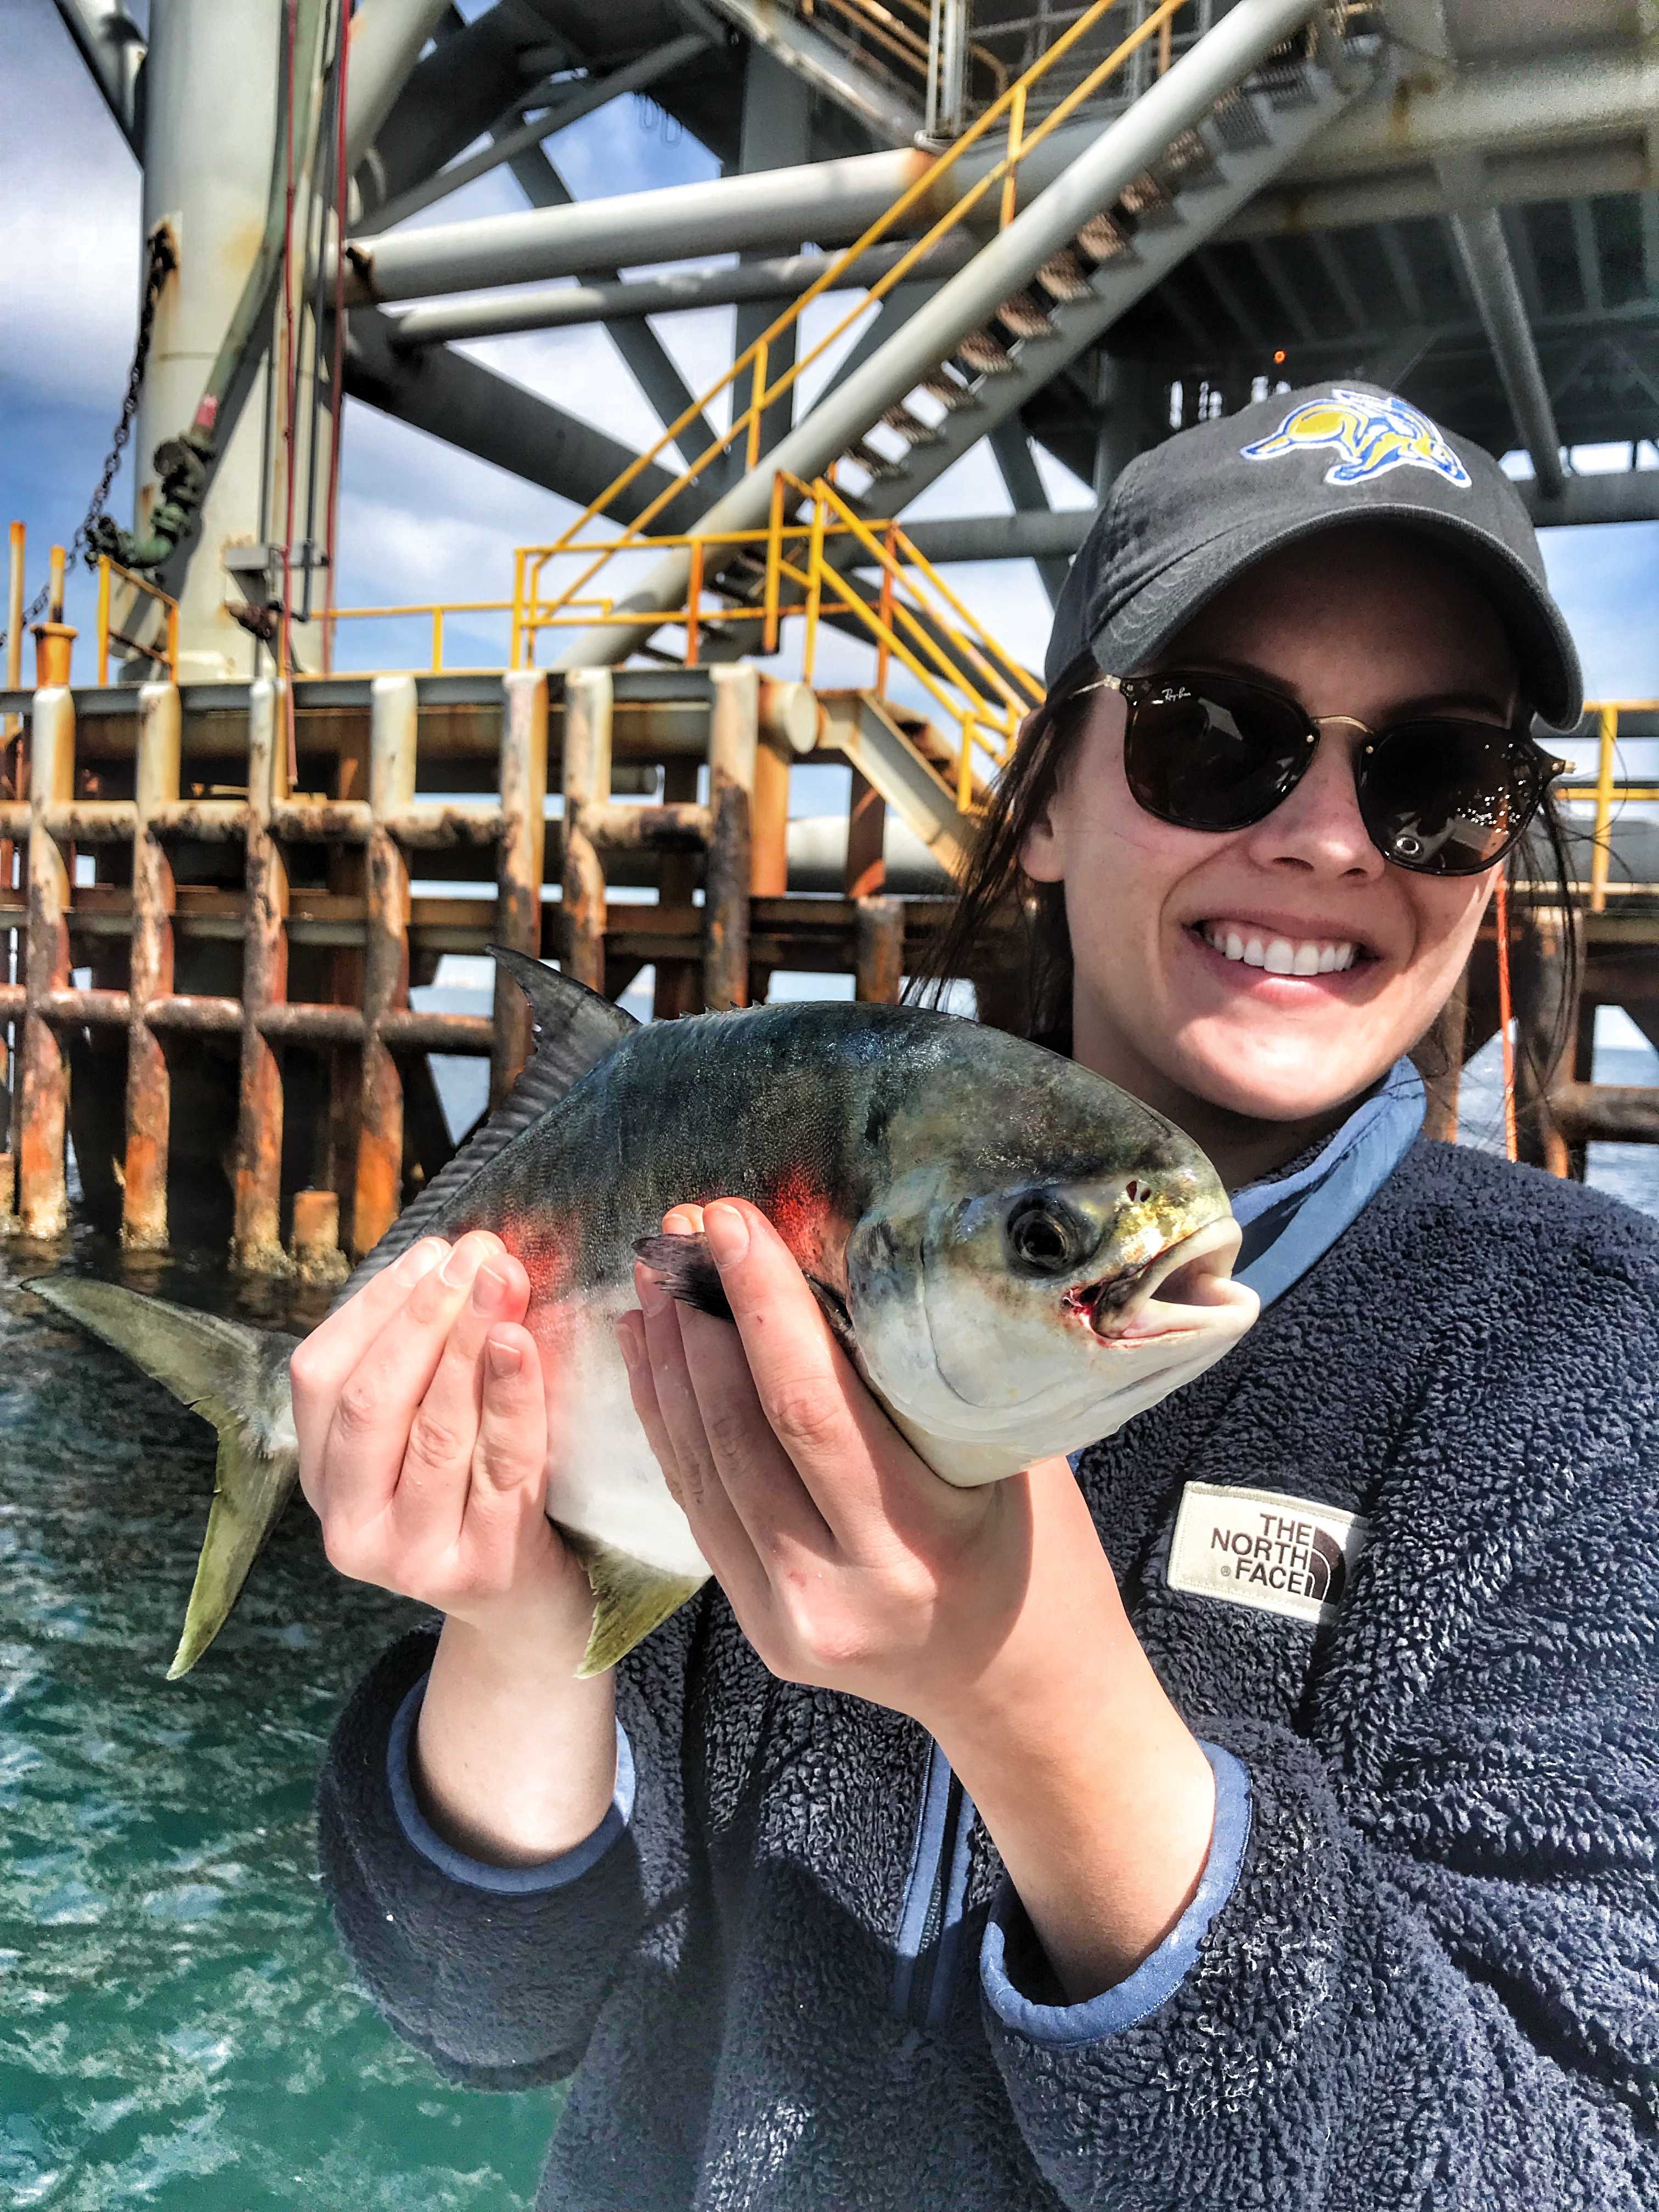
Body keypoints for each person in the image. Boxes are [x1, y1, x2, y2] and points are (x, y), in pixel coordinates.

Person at [305, 381, 1658, 2210]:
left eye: (1439, 779)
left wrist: (1032, 1699)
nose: (1334, 838)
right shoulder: (762, 1213)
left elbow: (1572, 2158)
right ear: (1042, 800)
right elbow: (483, 2009)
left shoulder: (1593, 1371)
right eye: (1214, 738)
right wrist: (520, 1628)